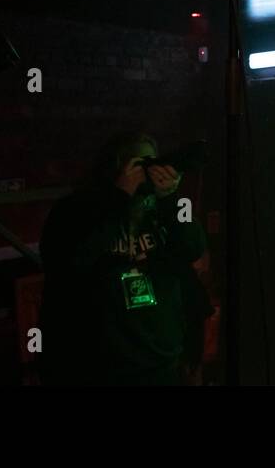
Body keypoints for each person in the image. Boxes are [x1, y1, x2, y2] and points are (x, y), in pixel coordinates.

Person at [39, 131, 208, 385]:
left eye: (153, 162)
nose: (148, 171)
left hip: (161, 362)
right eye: (140, 164)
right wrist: (119, 196)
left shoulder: (162, 209)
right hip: (100, 368)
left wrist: (170, 198)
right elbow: (69, 262)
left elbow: (192, 247)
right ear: (116, 167)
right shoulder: (77, 209)